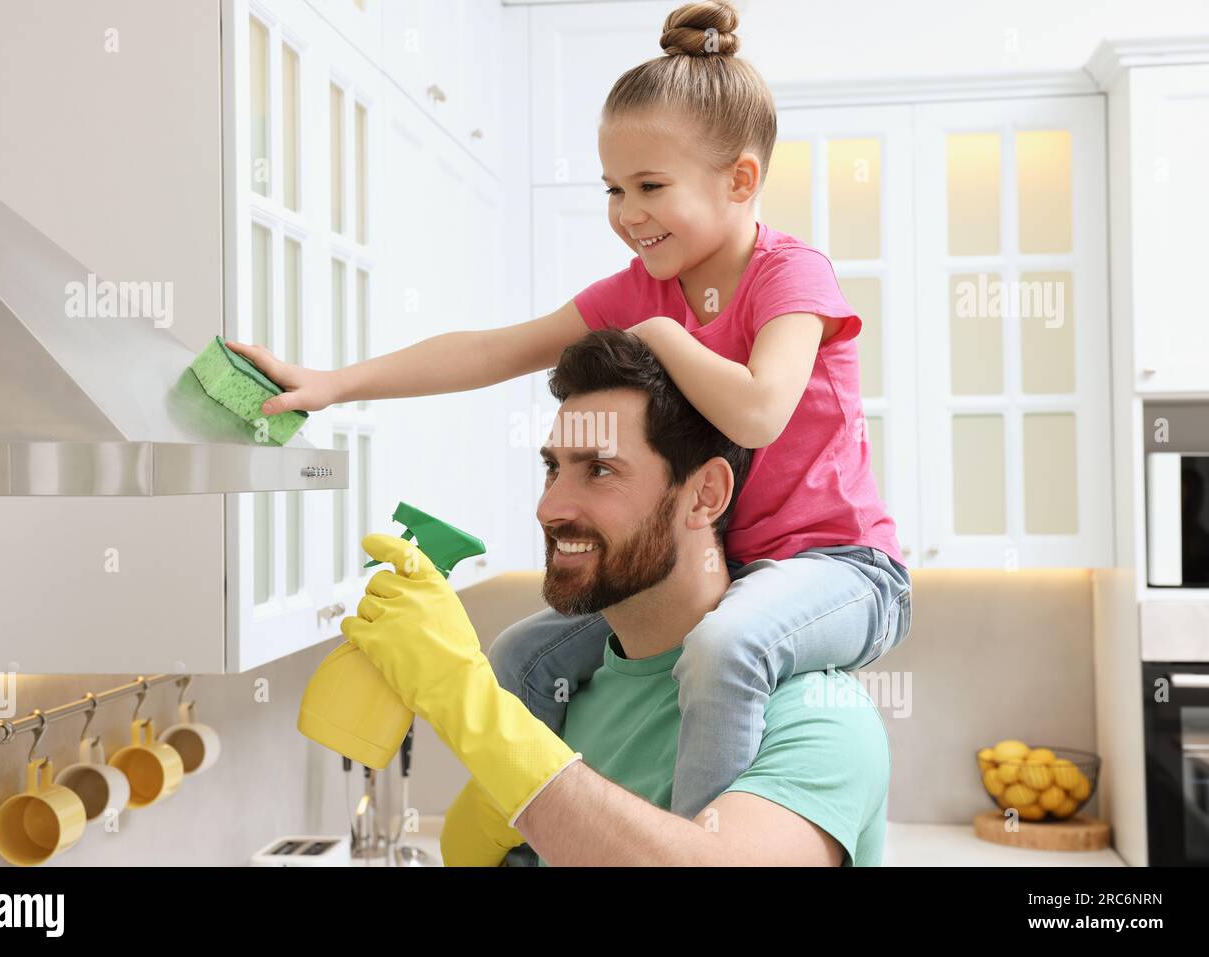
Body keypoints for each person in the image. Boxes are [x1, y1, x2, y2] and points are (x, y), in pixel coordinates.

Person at [229, 0, 911, 833]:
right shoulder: (644, 282)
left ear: (740, 179)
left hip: (841, 569)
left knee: (727, 649)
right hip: (741, 567)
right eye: (614, 189)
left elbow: (764, 411)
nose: (626, 213)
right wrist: (335, 383)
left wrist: (661, 333)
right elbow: (491, 349)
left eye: (650, 187)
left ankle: (685, 842)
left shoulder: (788, 275)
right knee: (519, 656)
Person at [346, 328, 906, 865]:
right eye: (553, 469)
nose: (551, 507)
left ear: (704, 494)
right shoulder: (555, 692)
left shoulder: (817, 723)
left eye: (599, 469)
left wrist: (457, 689)